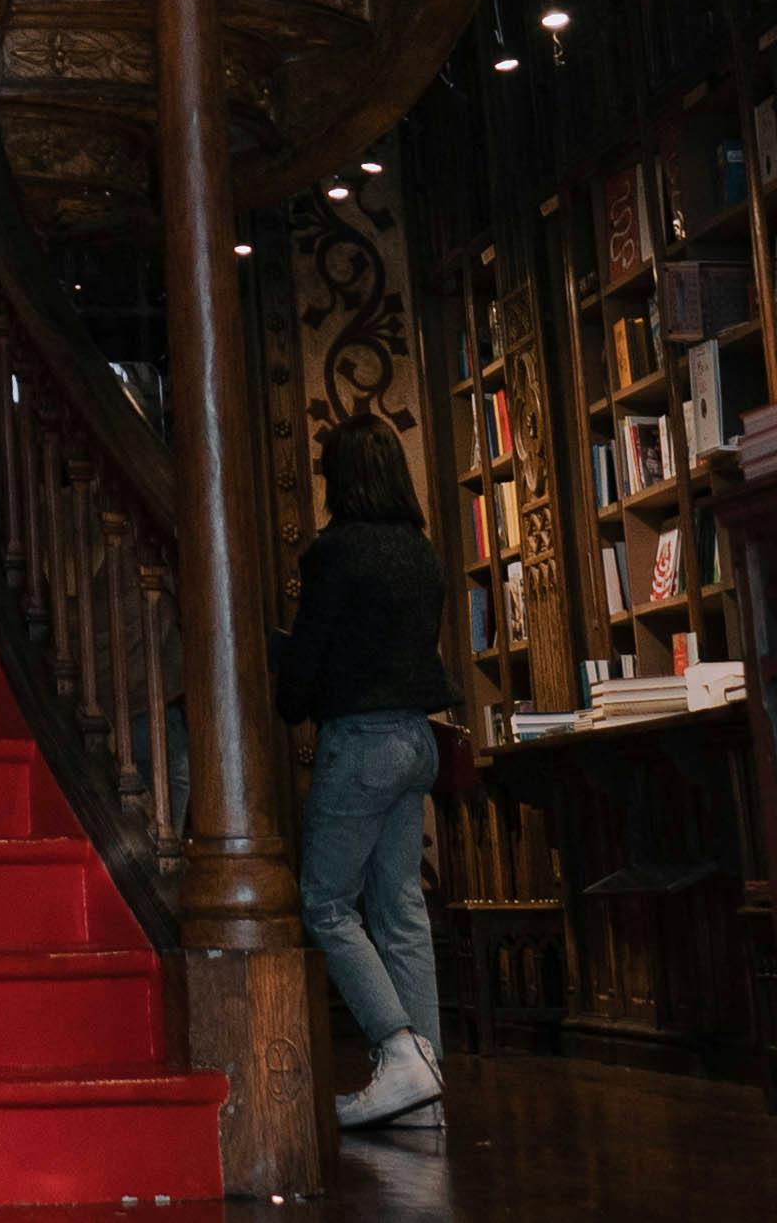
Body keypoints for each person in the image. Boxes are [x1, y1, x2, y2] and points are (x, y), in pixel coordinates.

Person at [271, 415, 454, 1132]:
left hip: (364, 743)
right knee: (401, 906)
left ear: (341, 477)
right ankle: (424, 1079)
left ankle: (395, 1050)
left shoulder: (334, 553)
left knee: (322, 902)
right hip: (417, 738)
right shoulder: (423, 552)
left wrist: (280, 670)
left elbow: (313, 657)